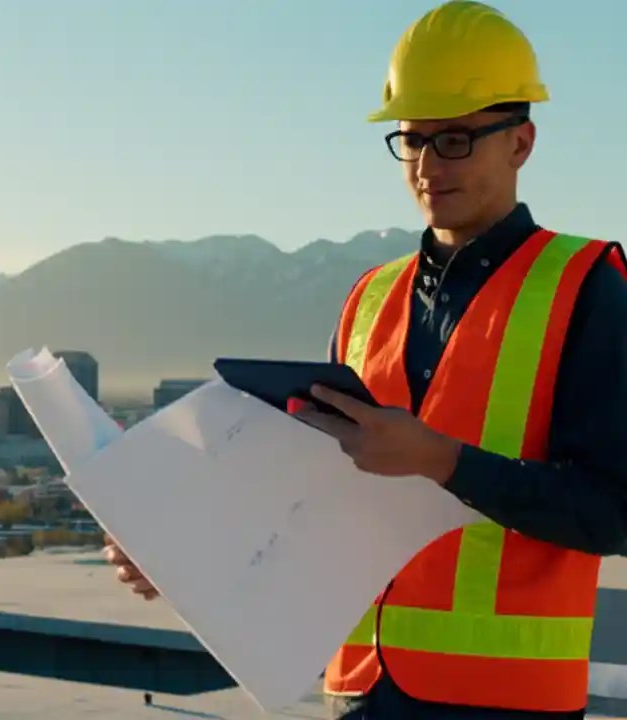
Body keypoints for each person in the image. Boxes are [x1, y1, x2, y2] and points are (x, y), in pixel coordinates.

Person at [103, 1, 627, 718]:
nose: (425, 167)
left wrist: (441, 459)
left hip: (507, 702)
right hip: (357, 693)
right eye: (411, 141)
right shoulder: (368, 299)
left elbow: (612, 511)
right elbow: (310, 503)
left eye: (455, 140)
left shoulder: (588, 285)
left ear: (522, 142)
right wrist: (184, 555)